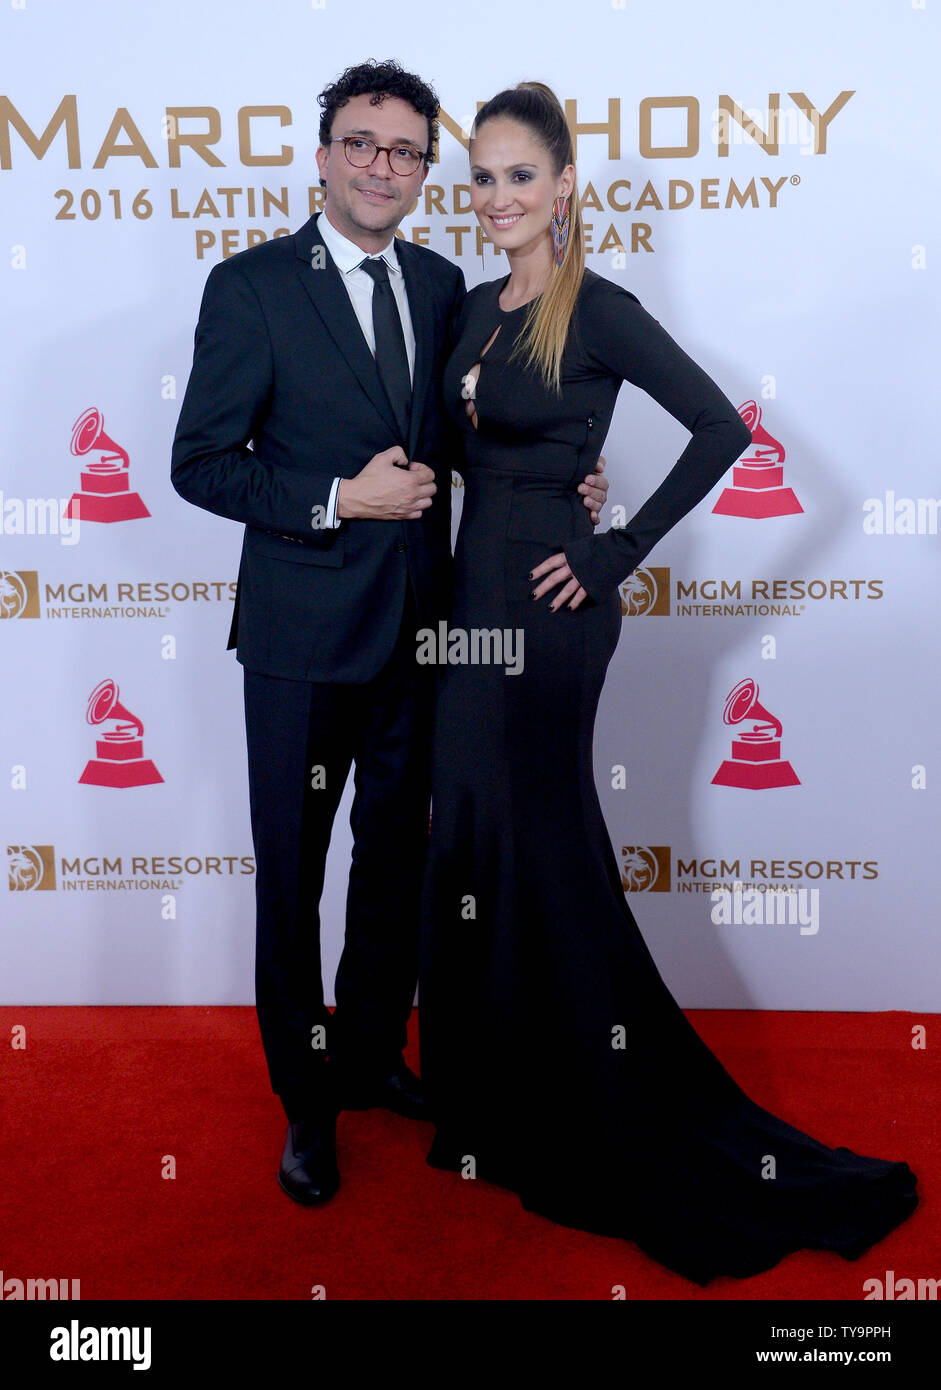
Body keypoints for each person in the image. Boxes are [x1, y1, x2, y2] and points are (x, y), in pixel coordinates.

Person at [417, 81, 919, 1285]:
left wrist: (609, 545)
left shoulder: (599, 309)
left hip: (550, 611)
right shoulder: (478, 306)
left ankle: (603, 1108)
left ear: (565, 184)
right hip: (463, 609)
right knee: (471, 834)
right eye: (479, 177)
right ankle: (497, 1105)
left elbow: (718, 428)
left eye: (519, 176)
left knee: (541, 844)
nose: (495, 199)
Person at [170, 60, 609, 1208]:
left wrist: (571, 475)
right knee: (294, 880)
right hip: (301, 641)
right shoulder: (252, 285)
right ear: (322, 159)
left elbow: (462, 440)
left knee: (396, 864)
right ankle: (306, 1101)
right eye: (362, 144)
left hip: (425, 634)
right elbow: (199, 463)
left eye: (406, 151)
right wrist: (334, 498)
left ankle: (368, 1052)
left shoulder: (441, 285)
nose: (383, 166)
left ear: (424, 173)